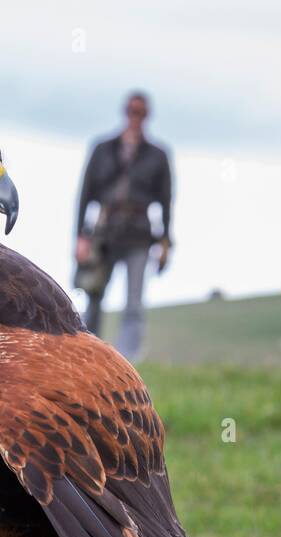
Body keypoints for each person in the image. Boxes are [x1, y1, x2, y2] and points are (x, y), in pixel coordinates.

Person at [74, 91, 173, 361]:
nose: (135, 117)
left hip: (140, 235)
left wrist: (166, 242)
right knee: (94, 294)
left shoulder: (158, 156)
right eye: (131, 111)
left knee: (134, 303)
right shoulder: (103, 149)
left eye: (140, 112)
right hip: (104, 233)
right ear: (124, 112)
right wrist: (80, 237)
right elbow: (85, 194)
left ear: (147, 115)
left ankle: (127, 361)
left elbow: (166, 201)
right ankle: (88, 353)